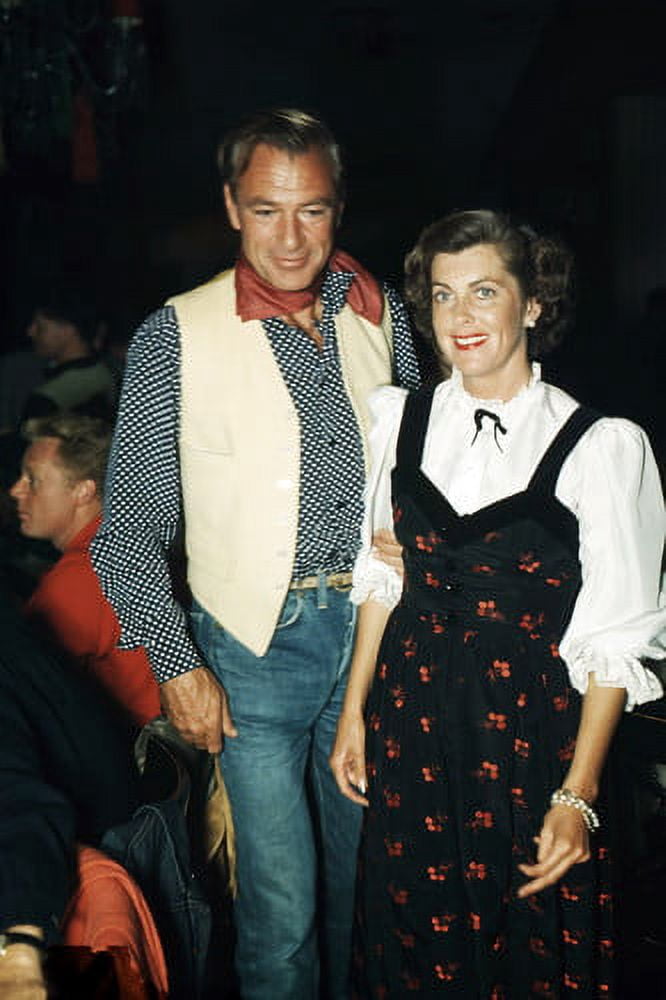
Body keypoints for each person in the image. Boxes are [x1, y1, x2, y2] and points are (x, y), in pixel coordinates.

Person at [89, 107, 421, 999]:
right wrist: (177, 665)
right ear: (232, 207)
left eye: (311, 210)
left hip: (372, 641)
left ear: (338, 210)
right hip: (252, 659)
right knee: (281, 923)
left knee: (365, 905)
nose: (290, 236)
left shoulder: (376, 312)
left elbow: (430, 473)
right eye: (267, 209)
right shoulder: (178, 334)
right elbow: (127, 533)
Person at [330, 209, 666, 997]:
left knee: (527, 949)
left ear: (534, 303)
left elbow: (615, 635)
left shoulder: (601, 446)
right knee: (412, 942)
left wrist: (577, 797)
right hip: (409, 724)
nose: (462, 317)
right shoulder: (397, 418)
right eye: (444, 297)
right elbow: (382, 577)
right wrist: (354, 713)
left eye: (485, 292)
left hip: (530, 737)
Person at [10, 413, 161, 725]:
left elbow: (25, 691)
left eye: (33, 479)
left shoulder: (77, 578)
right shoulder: (131, 546)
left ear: (83, 491)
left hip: (135, 757)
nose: (16, 490)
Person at [22, 296, 116, 422]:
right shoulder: (112, 374)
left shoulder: (47, 399)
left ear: (68, 330)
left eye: (40, 327)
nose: (30, 332)